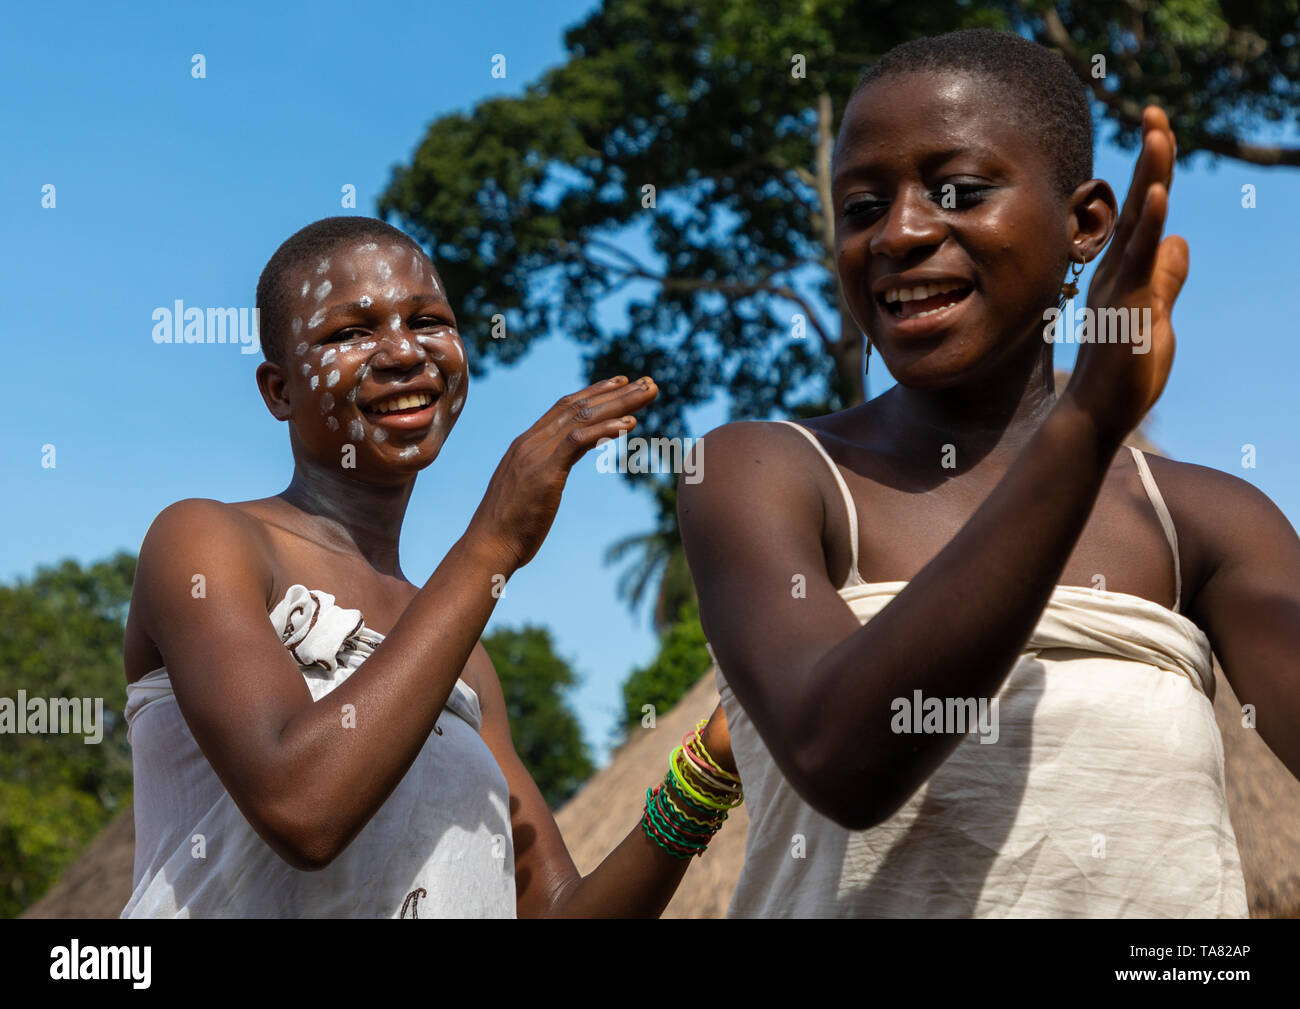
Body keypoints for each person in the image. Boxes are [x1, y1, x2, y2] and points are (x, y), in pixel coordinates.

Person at [678, 29, 1300, 917]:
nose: (900, 232)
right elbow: (842, 756)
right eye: (861, 208)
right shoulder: (764, 472)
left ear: (1086, 223)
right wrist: (1084, 427)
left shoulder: (1203, 520)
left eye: (958, 191)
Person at [121, 216, 741, 918]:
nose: (402, 352)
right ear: (278, 390)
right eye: (349, 333)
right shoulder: (207, 542)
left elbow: (560, 909)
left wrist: (710, 769)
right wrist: (494, 540)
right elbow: (303, 807)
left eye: (428, 320)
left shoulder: (466, 663)